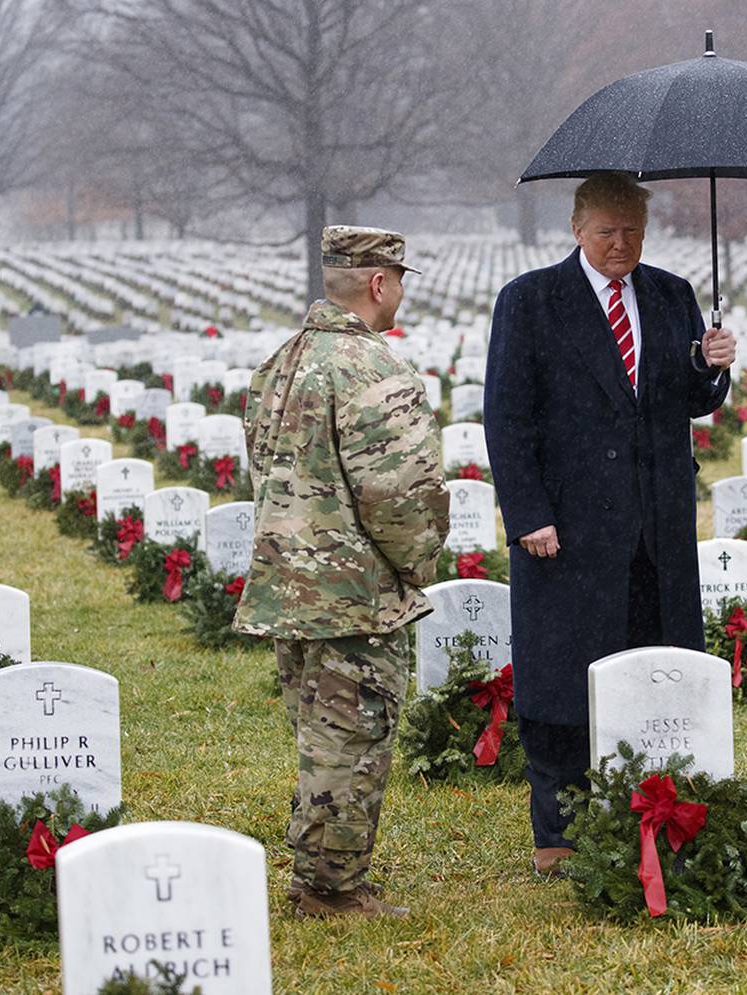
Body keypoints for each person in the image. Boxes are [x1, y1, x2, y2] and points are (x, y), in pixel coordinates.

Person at [484, 172, 735, 877]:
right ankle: (558, 831)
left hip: (656, 525)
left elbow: (687, 399)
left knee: (659, 669)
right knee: (563, 677)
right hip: (568, 527)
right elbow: (507, 416)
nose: (621, 244)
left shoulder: (671, 294)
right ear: (576, 228)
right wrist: (528, 512)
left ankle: (659, 810)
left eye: (632, 230)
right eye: (606, 232)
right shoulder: (531, 302)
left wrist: (709, 367)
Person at [234, 226, 450, 919]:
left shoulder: (280, 363)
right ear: (380, 283)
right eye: (400, 279)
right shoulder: (373, 369)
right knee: (352, 739)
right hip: (354, 592)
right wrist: (416, 565)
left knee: (320, 735)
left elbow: (260, 464)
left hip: (288, 587)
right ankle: (331, 888)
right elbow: (400, 493)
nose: (401, 292)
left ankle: (324, 873)